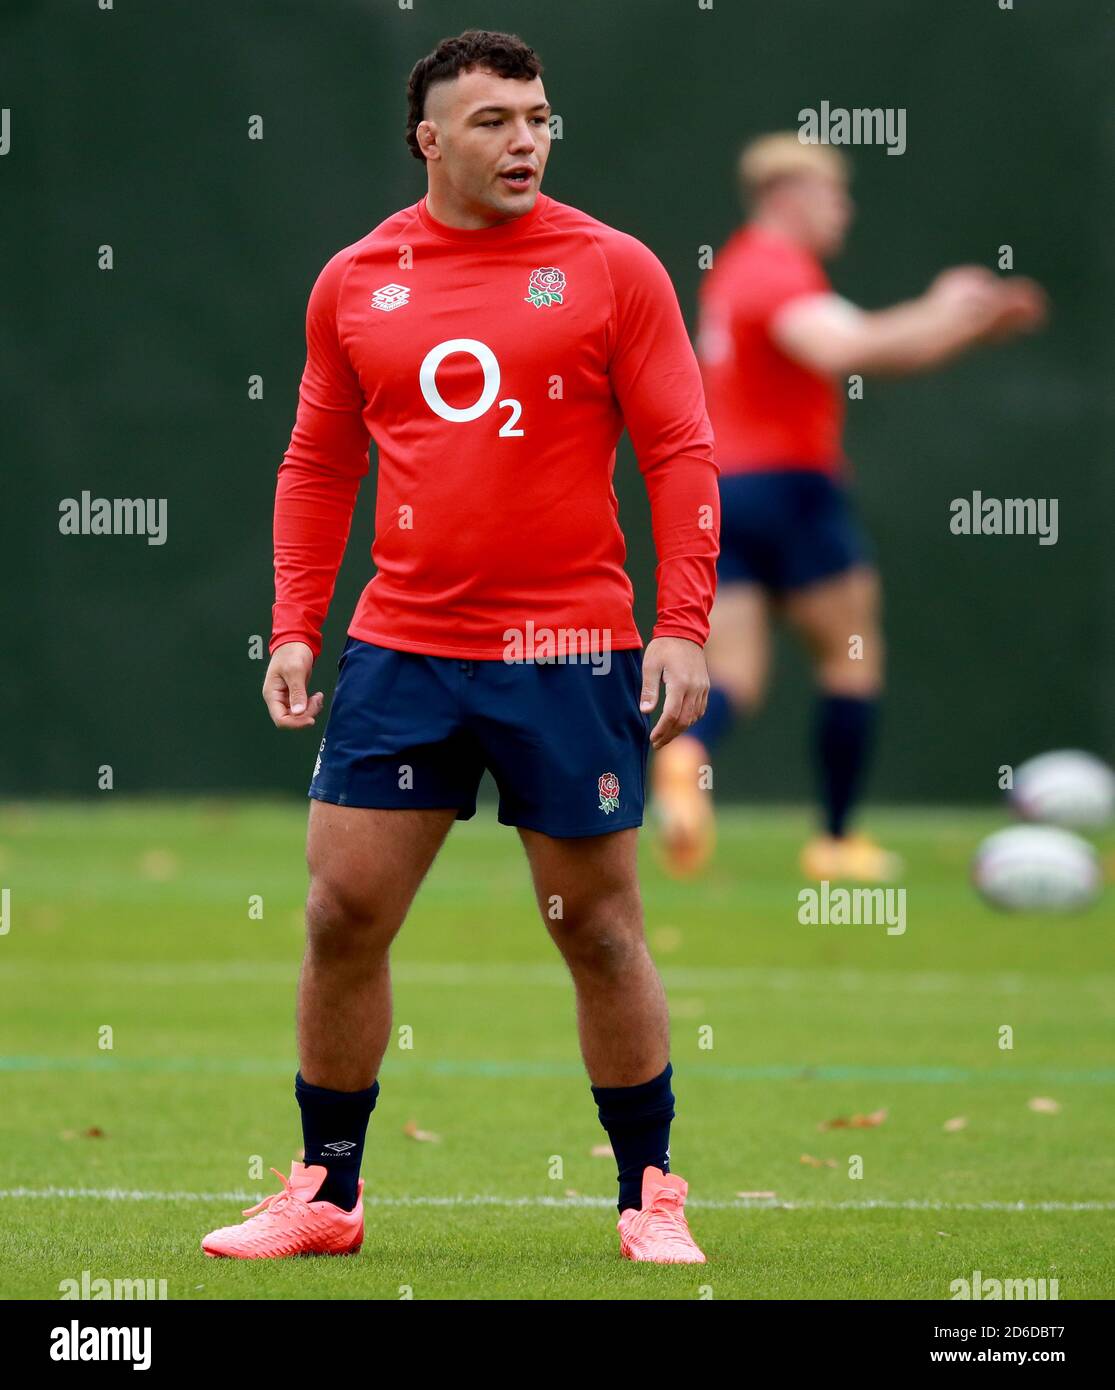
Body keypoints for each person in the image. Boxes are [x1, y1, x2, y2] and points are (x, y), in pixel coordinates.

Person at [201, 29, 719, 1265]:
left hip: (569, 648)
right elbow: (318, 462)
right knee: (339, 915)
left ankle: (648, 1192)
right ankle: (326, 1194)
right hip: (403, 649)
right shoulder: (355, 278)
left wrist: (682, 624)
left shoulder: (612, 269)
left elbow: (679, 451)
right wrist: (293, 622)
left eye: (537, 117)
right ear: (428, 139)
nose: (524, 139)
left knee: (595, 928)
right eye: (491, 120)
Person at [654, 133, 1045, 880]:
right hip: (793, 487)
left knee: (734, 671)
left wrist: (967, 324)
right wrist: (941, 303)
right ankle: (834, 841)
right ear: (786, 198)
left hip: (720, 493)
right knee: (850, 658)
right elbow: (847, 349)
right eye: (833, 194)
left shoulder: (734, 271)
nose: (845, 209)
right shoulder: (775, 271)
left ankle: (689, 759)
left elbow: (877, 349)